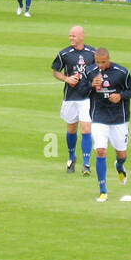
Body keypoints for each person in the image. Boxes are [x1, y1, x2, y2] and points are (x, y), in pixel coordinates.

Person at [86, 47, 131, 202]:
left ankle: (120, 166)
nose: (100, 65)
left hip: (119, 118)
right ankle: (103, 190)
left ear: (109, 59)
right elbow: (80, 90)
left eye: (103, 62)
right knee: (100, 151)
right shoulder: (89, 72)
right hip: (99, 117)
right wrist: (90, 85)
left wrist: (120, 96)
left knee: (121, 154)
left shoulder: (122, 72)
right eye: (97, 62)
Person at [52, 25, 95, 176]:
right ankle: (71, 158)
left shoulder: (93, 53)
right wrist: (66, 78)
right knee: (71, 129)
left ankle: (86, 163)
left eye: (73, 36)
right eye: (70, 36)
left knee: (86, 129)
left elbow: (100, 71)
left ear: (82, 36)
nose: (71, 38)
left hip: (87, 97)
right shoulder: (64, 54)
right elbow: (55, 71)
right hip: (70, 97)